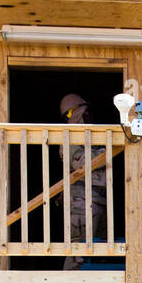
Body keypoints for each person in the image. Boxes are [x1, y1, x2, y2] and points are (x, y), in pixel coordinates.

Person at [59, 93, 108, 270]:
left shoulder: (90, 138)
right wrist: (106, 152)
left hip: (98, 201)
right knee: (78, 250)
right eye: (86, 112)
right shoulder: (70, 138)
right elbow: (82, 163)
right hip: (81, 203)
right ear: (76, 113)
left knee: (98, 250)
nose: (89, 116)